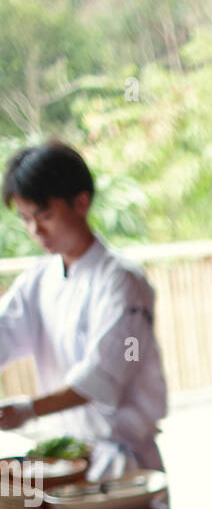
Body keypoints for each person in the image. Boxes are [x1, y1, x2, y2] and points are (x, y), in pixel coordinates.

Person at [0, 140, 168, 479]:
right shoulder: (39, 279)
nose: (35, 230)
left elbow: (102, 377)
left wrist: (27, 410)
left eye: (44, 215)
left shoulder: (122, 282)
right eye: (26, 219)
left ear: (80, 202)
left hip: (122, 462)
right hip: (64, 459)